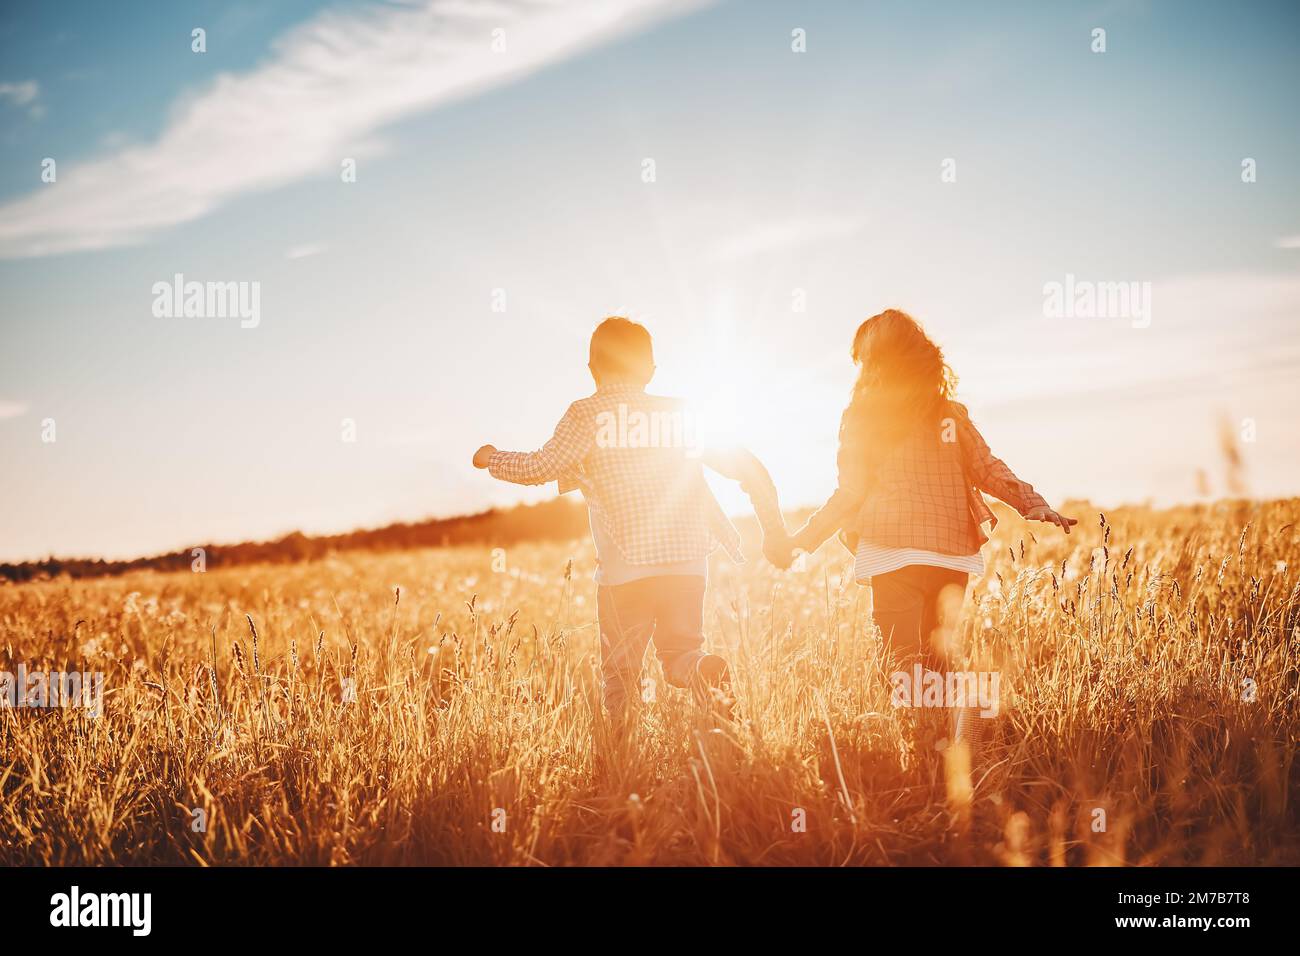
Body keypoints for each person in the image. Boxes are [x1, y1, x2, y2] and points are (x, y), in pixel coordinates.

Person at [770, 309, 1076, 759]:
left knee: (899, 658)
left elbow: (850, 492)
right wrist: (1034, 503)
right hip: (951, 554)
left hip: (893, 552)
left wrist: (803, 538)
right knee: (938, 657)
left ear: (872, 364)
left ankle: (914, 750)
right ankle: (951, 742)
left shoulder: (863, 417)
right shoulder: (948, 415)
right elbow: (986, 468)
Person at [473, 316, 787, 719]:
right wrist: (773, 528)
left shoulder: (586, 414)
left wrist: (491, 458)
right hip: (687, 561)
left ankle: (620, 754)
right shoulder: (681, 414)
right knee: (680, 654)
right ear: (651, 371)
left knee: (621, 672)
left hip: (626, 568)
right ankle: (700, 669)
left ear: (591, 369)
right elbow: (747, 467)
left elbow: (539, 467)